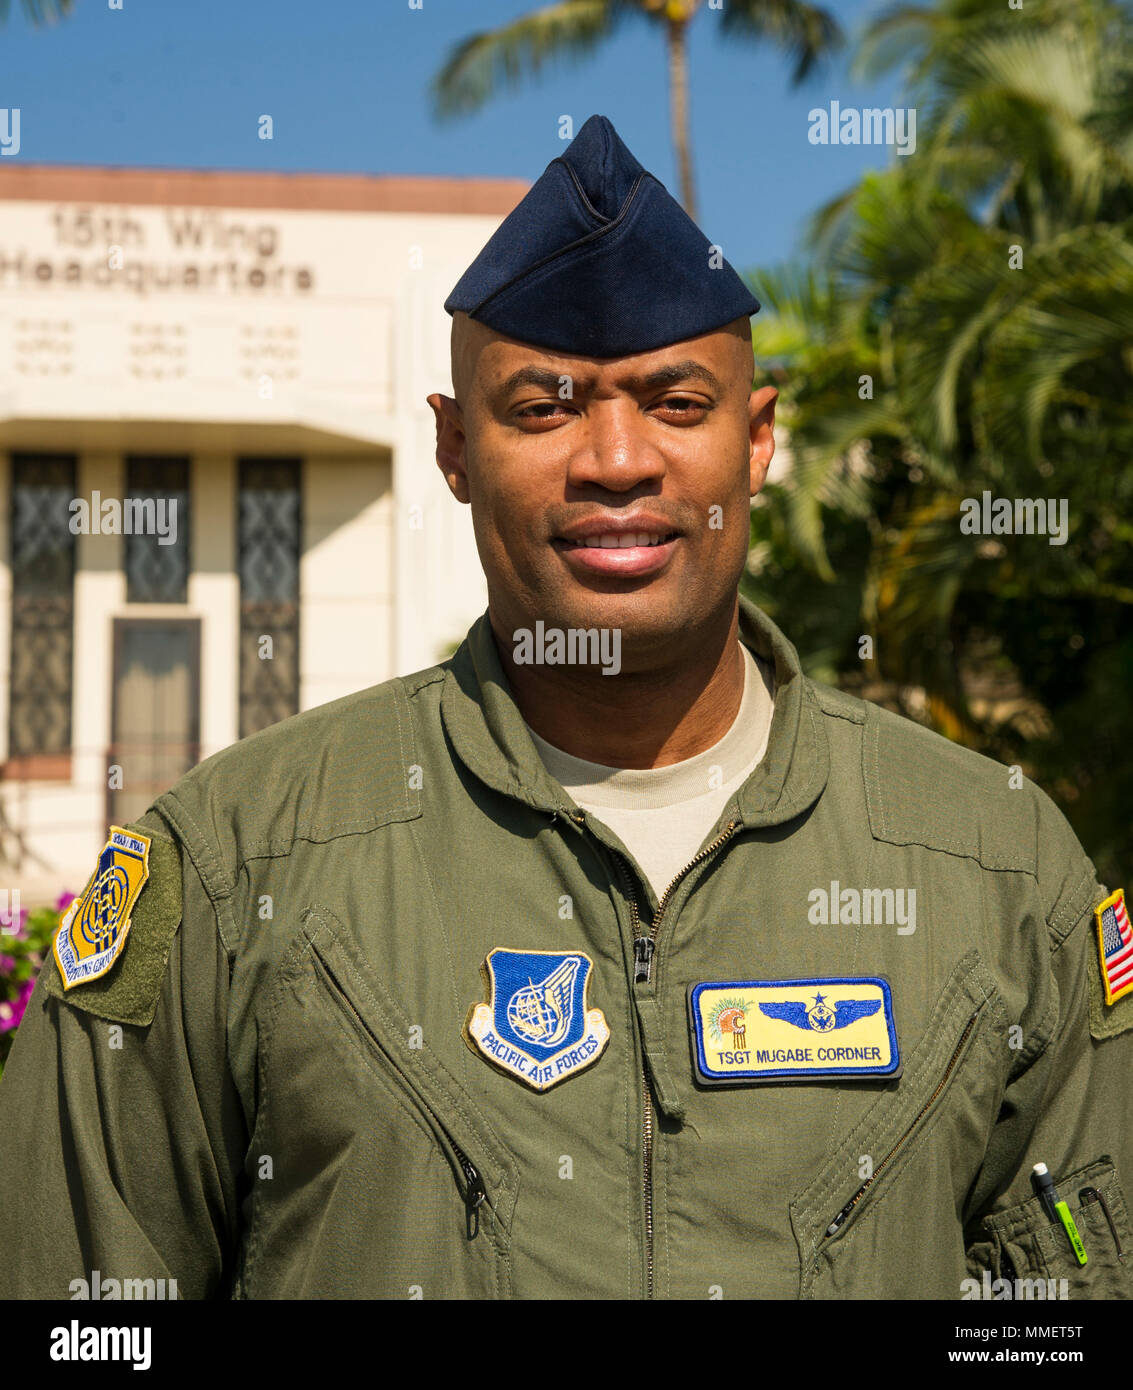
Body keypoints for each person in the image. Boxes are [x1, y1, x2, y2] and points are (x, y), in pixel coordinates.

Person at [1, 114, 1130, 1301]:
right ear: (452, 448)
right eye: (542, 407)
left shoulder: (993, 865)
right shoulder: (240, 861)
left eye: (675, 403)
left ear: (756, 441)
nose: (615, 460)